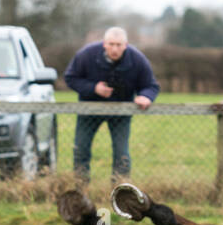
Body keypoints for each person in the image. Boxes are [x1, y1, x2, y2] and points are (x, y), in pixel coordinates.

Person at [63, 26, 159, 181]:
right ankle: (81, 189)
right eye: (111, 44)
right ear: (104, 44)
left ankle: (120, 191)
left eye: (119, 45)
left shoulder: (137, 60)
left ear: (126, 45)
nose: (115, 49)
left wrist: (146, 96)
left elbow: (151, 85)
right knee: (80, 149)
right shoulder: (86, 55)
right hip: (89, 109)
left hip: (120, 112)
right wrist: (93, 88)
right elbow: (70, 78)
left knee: (122, 153)